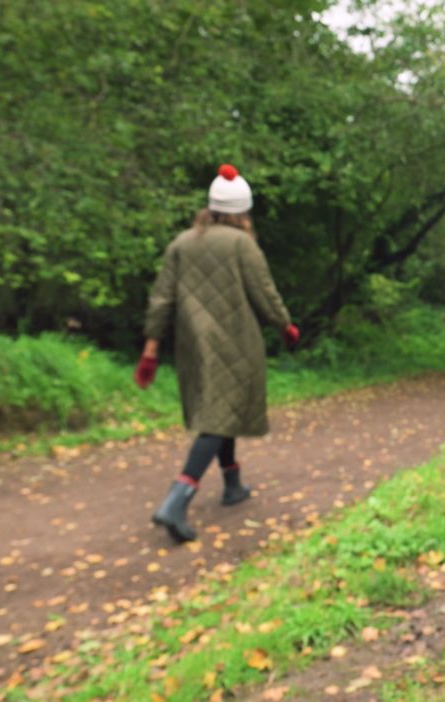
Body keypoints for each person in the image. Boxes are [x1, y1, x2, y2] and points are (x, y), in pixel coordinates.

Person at [134, 164, 298, 543]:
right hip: (236, 343)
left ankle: (233, 484)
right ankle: (177, 498)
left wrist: (151, 348)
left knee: (220, 410)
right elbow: (265, 292)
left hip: (193, 345)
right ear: (242, 211)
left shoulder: (181, 243)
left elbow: (161, 299)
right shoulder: (242, 244)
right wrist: (285, 325)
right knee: (218, 417)